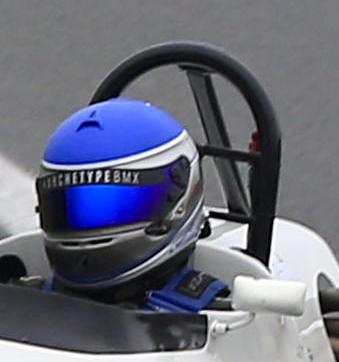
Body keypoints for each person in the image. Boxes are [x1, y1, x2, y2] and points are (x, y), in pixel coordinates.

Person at [32, 98, 229, 312]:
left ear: (178, 200)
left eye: (111, 205)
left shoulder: (224, 316)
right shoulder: (18, 295)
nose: (87, 238)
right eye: (69, 208)